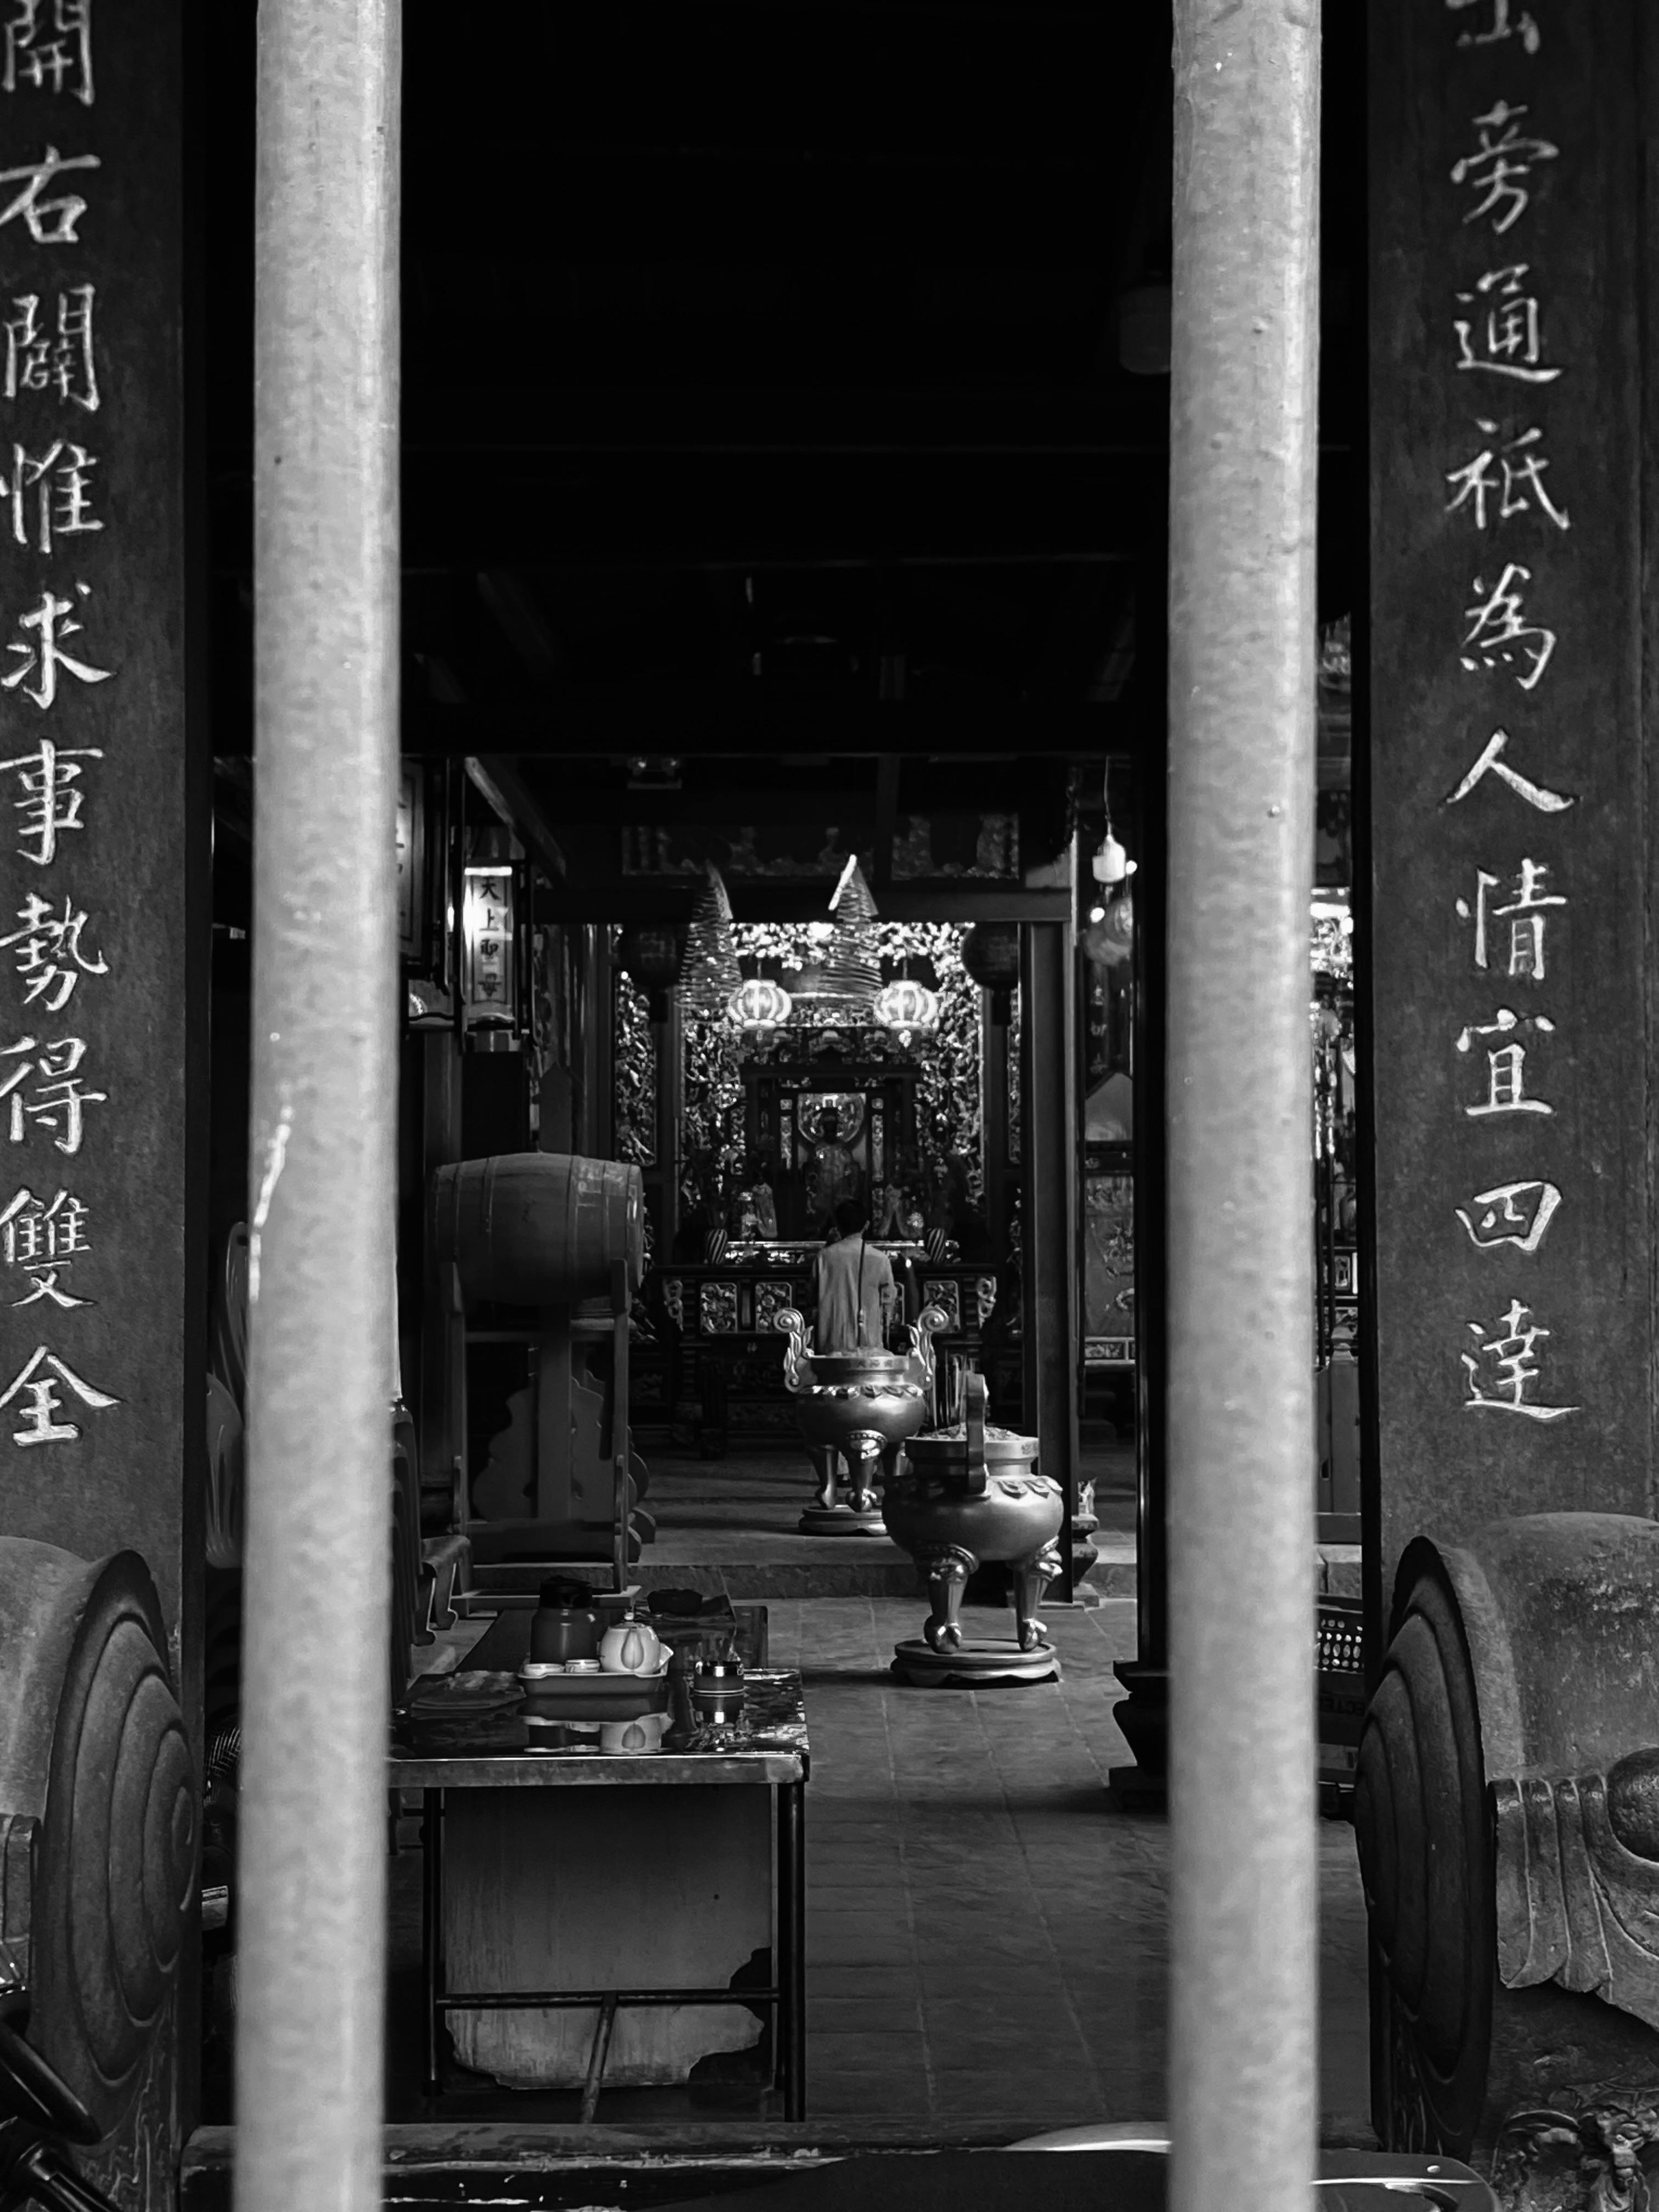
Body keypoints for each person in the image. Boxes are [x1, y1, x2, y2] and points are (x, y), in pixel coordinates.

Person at [812, 1198, 895, 1353]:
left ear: (837, 1225)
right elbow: (888, 1302)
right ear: (866, 1225)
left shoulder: (823, 1257)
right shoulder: (880, 1259)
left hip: (830, 1346)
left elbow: (813, 1297)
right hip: (869, 1347)